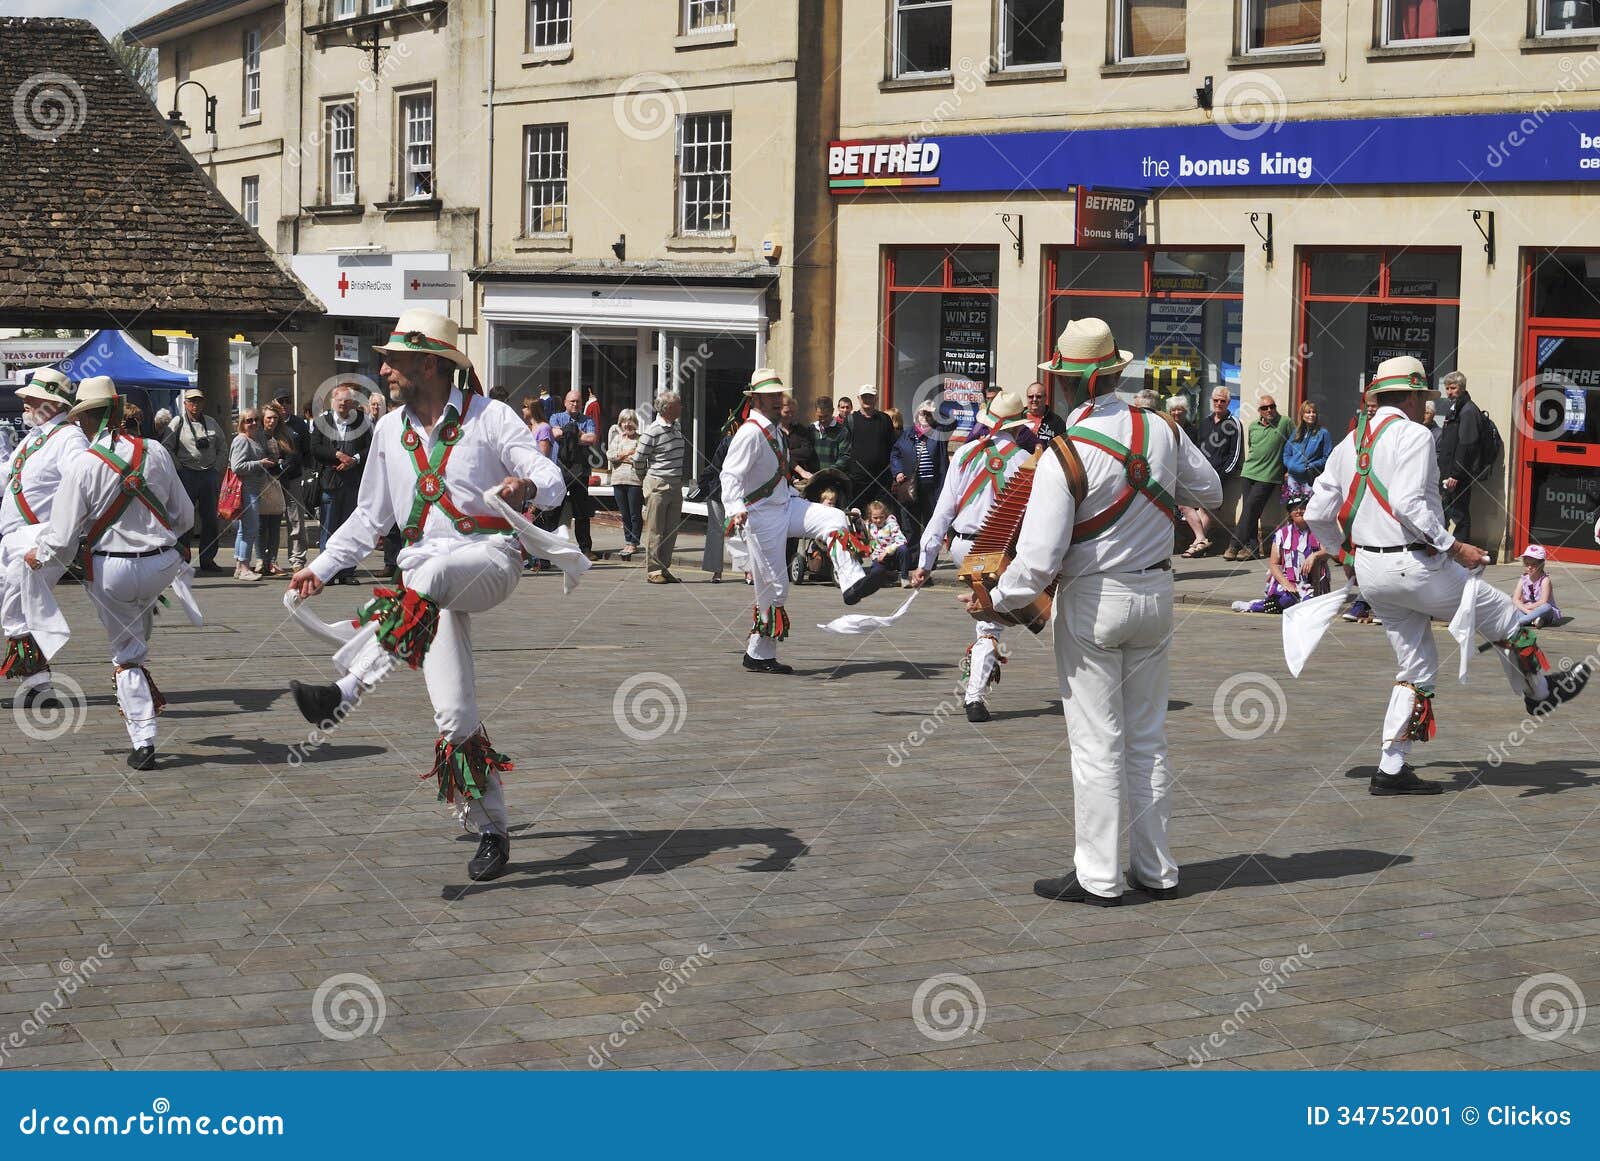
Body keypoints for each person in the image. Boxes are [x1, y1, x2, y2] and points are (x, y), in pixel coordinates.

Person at [286, 309, 565, 883]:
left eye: (394, 359)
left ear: (431, 363)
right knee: (454, 715)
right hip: (424, 584)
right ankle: (491, 830)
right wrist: (320, 565)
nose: (383, 369)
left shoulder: (491, 418)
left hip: (490, 560)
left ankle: (347, 687)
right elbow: (370, 516)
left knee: (429, 580)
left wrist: (526, 483)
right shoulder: (388, 430)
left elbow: (552, 476)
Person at [982, 320, 1221, 906]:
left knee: (1096, 744)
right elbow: (1211, 492)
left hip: (1094, 601)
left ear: (1066, 386)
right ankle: (1157, 870)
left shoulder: (1066, 451)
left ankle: (1098, 877)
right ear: (1115, 372)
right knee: (1148, 740)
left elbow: (1037, 562)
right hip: (1158, 596)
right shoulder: (1163, 428)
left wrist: (996, 599)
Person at [1305, 355, 1590, 797]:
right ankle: (1538, 690)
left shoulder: (1348, 445)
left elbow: (1316, 512)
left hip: (1372, 572)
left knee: (1415, 665)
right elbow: (1407, 504)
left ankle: (1391, 769)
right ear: (1415, 395)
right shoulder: (1414, 434)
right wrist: (1456, 547)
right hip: (1417, 567)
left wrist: (1342, 553)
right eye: (1424, 397)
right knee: (1507, 617)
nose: (1426, 406)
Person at [25, 376, 197, 770]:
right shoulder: (155, 451)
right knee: (138, 631)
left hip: (112, 571)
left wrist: (42, 555)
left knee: (128, 655)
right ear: (117, 412)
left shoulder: (84, 464)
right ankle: (141, 689)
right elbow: (185, 516)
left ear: (85, 419)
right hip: (161, 565)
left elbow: (64, 536)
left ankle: (144, 741)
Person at [722, 369, 884, 674]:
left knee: (834, 517)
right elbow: (730, 475)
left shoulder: (775, 430)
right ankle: (759, 654)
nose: (776, 401)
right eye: (770, 396)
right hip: (761, 516)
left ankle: (851, 582)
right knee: (775, 586)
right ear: (755, 399)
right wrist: (735, 507)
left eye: (778, 395)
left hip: (786, 505)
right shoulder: (750, 432)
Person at [909, 391, 1037, 723]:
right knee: (991, 623)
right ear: (1019, 427)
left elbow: (941, 513)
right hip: (998, 549)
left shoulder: (964, 453)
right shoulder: (1027, 461)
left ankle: (975, 687)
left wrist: (925, 562)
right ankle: (974, 697)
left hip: (962, 546)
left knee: (990, 618)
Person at [0, 369, 87, 709]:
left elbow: (82, 489)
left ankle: (40, 686)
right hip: (14, 538)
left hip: (40, 538)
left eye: (31, 399)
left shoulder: (70, 439)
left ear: (51, 404)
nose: (24, 404)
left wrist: (54, 540)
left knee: (16, 606)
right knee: (15, 607)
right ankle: (38, 684)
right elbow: (7, 478)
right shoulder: (34, 438)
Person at [311, 384, 373, 585]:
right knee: (328, 527)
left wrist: (354, 459)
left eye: (348, 402)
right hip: (330, 481)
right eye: (340, 401)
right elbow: (315, 448)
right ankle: (326, 572)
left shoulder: (361, 422)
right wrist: (337, 455)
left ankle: (347, 571)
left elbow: (369, 448)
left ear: (353, 404)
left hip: (352, 482)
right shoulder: (322, 422)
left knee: (350, 529)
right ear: (332, 401)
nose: (343, 405)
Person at [163, 387, 227, 574]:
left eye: (198, 401)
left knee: (210, 520)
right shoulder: (178, 421)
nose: (195, 405)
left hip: (208, 474)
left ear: (203, 403)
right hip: (186, 474)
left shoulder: (212, 422)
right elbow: (165, 447)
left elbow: (223, 447)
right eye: (191, 401)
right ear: (185, 403)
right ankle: (183, 558)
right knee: (185, 519)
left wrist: (217, 469)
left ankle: (208, 559)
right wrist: (178, 468)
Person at [1230, 495, 1328, 613]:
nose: (1299, 511)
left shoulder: (1318, 531)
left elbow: (1329, 551)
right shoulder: (1282, 534)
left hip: (1313, 582)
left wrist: (1314, 556)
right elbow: (1274, 564)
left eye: (1303, 507)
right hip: (1288, 580)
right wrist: (1287, 585)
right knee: (1286, 601)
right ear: (1290, 513)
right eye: (1295, 508)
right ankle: (1252, 606)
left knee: (1307, 606)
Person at [1226, 393, 1291, 561]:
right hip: (1249, 473)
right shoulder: (1253, 426)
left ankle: (1234, 544)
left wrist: (1288, 468)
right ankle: (1252, 549)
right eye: (1265, 408)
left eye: (1272, 406)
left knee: (1250, 508)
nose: (1269, 410)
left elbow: (1294, 444)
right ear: (1259, 411)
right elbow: (1251, 447)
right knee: (1251, 510)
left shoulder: (1284, 423)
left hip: (1269, 475)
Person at [890, 402, 949, 582]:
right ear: (916, 416)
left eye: (929, 415)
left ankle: (928, 565)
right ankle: (914, 564)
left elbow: (950, 424)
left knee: (932, 526)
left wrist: (936, 414)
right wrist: (898, 471)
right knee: (911, 528)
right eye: (923, 414)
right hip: (911, 487)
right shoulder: (908, 434)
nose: (925, 417)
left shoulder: (938, 433)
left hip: (932, 487)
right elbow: (895, 454)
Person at [635, 391, 687, 583]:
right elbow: (639, 458)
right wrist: (644, 480)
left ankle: (664, 568)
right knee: (656, 529)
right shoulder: (652, 430)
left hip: (675, 483)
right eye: (678, 404)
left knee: (671, 530)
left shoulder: (676, 426)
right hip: (658, 483)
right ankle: (654, 570)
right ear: (668, 408)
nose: (682, 406)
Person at [1190, 386, 1240, 558]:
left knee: (1208, 509)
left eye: (1222, 401)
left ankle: (1197, 543)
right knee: (1195, 507)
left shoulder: (1233, 424)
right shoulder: (1205, 422)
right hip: (1200, 475)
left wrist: (1223, 475)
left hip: (1219, 476)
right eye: (1216, 400)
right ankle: (1199, 541)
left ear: (1228, 403)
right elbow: (1196, 448)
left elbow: (1235, 454)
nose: (1219, 403)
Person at [1436, 370, 1485, 544]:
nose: (1449, 392)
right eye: (1447, 388)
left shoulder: (1468, 411)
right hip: (1447, 472)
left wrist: (1456, 474)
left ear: (1462, 388)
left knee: (1459, 514)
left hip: (1456, 475)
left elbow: (1466, 445)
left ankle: (1462, 555)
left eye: (1453, 388)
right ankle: (1445, 551)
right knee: (1445, 512)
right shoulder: (1456, 409)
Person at [229, 409, 276, 581]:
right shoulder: (241, 440)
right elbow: (237, 466)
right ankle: (244, 567)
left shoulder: (255, 438)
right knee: (251, 529)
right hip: (246, 490)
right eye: (249, 420)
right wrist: (260, 463)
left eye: (256, 419)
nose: (254, 423)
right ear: (242, 423)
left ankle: (239, 566)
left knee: (244, 529)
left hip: (254, 488)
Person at [550, 389, 597, 556]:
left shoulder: (588, 419)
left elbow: (591, 439)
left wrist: (568, 433)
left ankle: (585, 548)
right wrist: (579, 435)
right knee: (554, 510)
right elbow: (555, 434)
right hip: (559, 470)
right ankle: (551, 548)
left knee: (582, 512)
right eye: (572, 401)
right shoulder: (556, 417)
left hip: (581, 471)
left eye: (578, 401)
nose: (575, 404)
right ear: (565, 402)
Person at [271, 391, 313, 571]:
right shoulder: (268, 421)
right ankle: (268, 560)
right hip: (270, 478)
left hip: (293, 477)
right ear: (274, 402)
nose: (285, 405)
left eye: (288, 401)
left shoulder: (299, 424)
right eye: (281, 401)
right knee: (269, 520)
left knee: (296, 520)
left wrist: (302, 470)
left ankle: (297, 560)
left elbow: (306, 449)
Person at [258, 406, 301, 577]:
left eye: (275, 418)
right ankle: (261, 560)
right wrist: (275, 463)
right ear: (263, 419)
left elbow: (293, 457)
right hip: (261, 483)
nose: (272, 421)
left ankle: (273, 561)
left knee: (275, 524)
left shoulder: (285, 435)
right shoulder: (257, 435)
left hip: (280, 482)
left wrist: (279, 465)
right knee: (261, 525)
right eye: (268, 418)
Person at [608, 408, 644, 560]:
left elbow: (639, 459)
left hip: (634, 481)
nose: (627, 424)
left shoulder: (640, 439)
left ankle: (634, 542)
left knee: (635, 514)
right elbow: (610, 456)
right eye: (624, 421)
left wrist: (621, 457)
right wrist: (627, 455)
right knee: (624, 514)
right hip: (618, 481)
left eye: (630, 421)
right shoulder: (617, 438)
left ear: (635, 423)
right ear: (620, 423)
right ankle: (627, 541)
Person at [1282, 399, 1331, 500]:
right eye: (1308, 412)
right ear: (1302, 415)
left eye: (1314, 412)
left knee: (1309, 509)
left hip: (1310, 479)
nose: (1311, 415)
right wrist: (1290, 464)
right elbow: (1286, 453)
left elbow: (1327, 457)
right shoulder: (1296, 433)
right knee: (1294, 508)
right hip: (1293, 479)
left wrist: (1311, 466)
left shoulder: (1323, 433)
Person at [1512, 544, 1561, 628]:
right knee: (1511, 604)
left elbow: (1543, 601)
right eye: (1527, 564)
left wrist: (1529, 607)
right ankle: (1534, 620)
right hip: (1526, 609)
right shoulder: (1523, 579)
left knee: (1547, 607)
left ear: (1541, 564)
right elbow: (1515, 599)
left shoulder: (1545, 580)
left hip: (1542, 610)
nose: (1530, 567)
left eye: (1533, 565)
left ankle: (1521, 621)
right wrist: (1526, 609)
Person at [862, 499, 908, 589]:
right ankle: (885, 577)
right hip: (878, 557)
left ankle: (904, 578)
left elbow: (902, 540)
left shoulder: (891, 524)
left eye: (881, 517)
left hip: (893, 555)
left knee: (903, 549)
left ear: (885, 516)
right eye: (875, 518)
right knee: (875, 573)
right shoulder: (868, 526)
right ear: (870, 517)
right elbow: (858, 523)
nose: (878, 520)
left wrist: (886, 551)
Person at [780, 395, 817, 485]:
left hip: (800, 479)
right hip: (780, 479)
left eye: (793, 412)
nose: (790, 415)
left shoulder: (801, 430)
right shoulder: (773, 431)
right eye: (787, 412)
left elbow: (807, 452)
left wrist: (784, 454)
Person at [813, 395, 851, 472]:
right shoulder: (811, 429)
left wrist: (831, 470)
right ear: (815, 413)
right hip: (813, 477)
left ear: (832, 411)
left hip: (833, 477)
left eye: (826, 416)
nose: (823, 420)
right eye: (820, 417)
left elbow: (845, 456)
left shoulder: (842, 431)